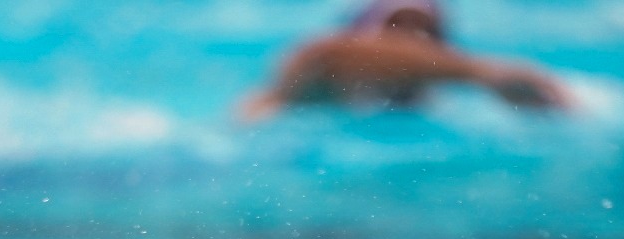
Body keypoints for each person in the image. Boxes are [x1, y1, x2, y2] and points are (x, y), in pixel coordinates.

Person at [240, 0, 571, 120]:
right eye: (395, 29)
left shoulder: (457, 113)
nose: (411, 45)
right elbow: (323, 53)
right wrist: (481, 73)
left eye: (426, 33)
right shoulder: (311, 92)